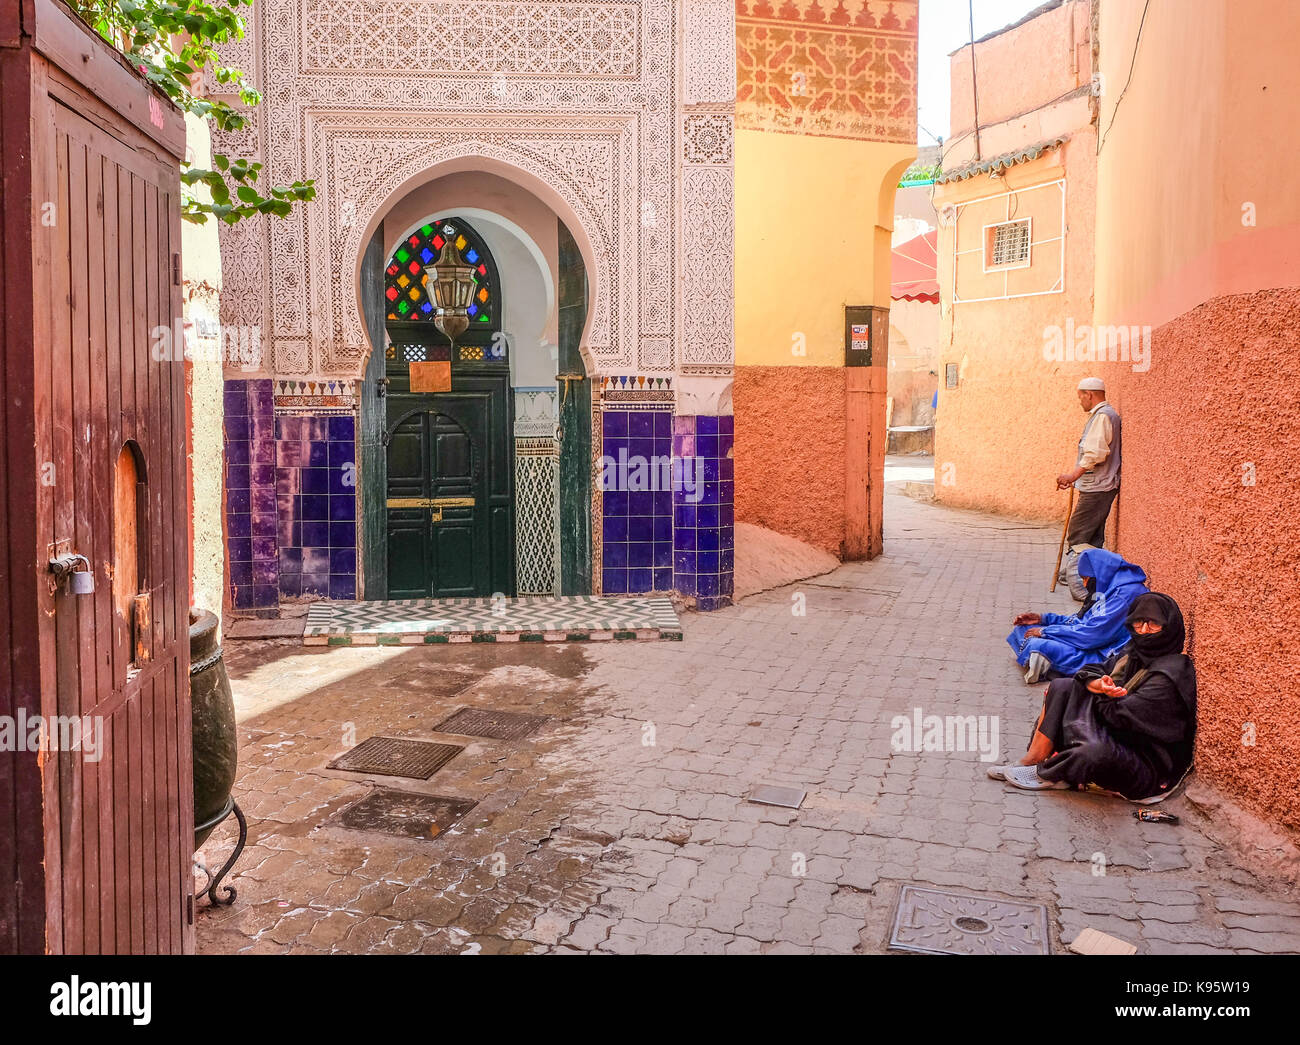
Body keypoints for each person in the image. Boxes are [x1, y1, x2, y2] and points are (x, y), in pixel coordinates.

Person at [989, 593, 1197, 802]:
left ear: (1169, 628)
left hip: (1145, 765)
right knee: (1063, 686)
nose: (1143, 631)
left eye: (1153, 624)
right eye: (1139, 623)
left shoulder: (1169, 675)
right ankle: (1032, 760)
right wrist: (1094, 683)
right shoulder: (1133, 654)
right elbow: (1091, 670)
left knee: (1093, 750)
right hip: (1118, 731)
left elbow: (1119, 716)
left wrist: (1095, 691)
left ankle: (1053, 773)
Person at [1007, 548, 1149, 683]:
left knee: (1036, 644)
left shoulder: (1123, 596)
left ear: (1098, 573)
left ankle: (1056, 667)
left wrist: (1046, 632)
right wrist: (1043, 619)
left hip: (1100, 654)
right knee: (1023, 629)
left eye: (1086, 578)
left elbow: (1092, 636)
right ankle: (1048, 664)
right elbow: (1082, 620)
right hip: (1088, 641)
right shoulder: (1109, 586)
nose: (1085, 584)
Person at [1057, 377, 1121, 550]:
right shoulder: (1103, 416)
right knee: (1091, 539)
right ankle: (1088, 577)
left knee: (1078, 537)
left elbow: (1094, 454)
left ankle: (1075, 576)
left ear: (1089, 394)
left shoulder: (1102, 417)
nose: (1080, 402)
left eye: (1081, 397)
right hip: (1099, 486)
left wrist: (1072, 476)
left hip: (1098, 487)